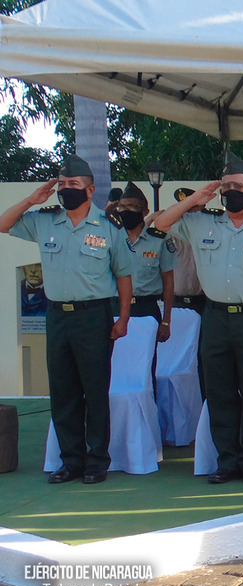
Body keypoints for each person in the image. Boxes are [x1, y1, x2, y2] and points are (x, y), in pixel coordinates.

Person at [154, 152, 243, 485]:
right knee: (218, 391)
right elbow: (159, 223)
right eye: (227, 185)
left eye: (239, 186)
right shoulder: (203, 221)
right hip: (215, 317)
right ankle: (226, 460)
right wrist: (194, 199)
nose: (231, 190)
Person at [0, 154, 133, 485]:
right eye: (61, 184)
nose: (65, 189)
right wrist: (32, 199)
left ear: (90, 191)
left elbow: (124, 275)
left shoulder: (109, 227)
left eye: (73, 185)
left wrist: (124, 317)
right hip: (57, 316)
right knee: (63, 391)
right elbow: (3, 224)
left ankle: (97, 460)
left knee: (95, 390)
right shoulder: (45, 220)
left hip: (94, 316)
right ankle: (71, 460)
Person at [118, 181, 175, 336]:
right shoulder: (112, 239)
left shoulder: (158, 240)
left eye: (131, 206)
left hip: (146, 308)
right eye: (121, 206)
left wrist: (166, 320)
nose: (125, 211)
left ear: (144, 211)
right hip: (115, 307)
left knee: (148, 358)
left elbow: (168, 281)